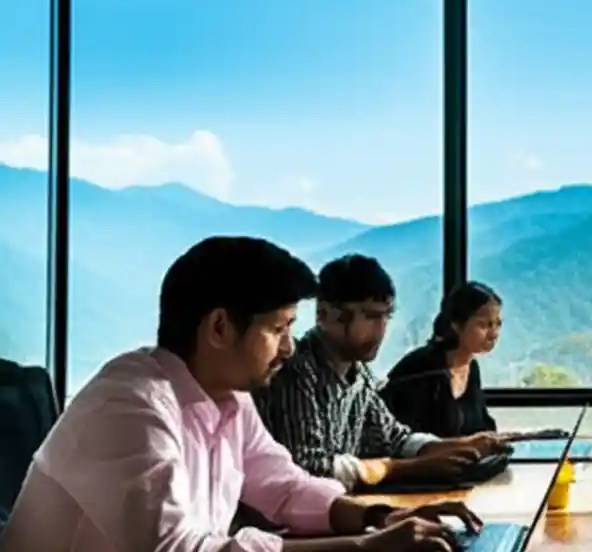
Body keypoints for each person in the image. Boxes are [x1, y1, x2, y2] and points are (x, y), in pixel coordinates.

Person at [0, 236, 481, 552]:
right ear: (219, 327)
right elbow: (182, 551)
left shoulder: (227, 399)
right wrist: (362, 548)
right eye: (278, 329)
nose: (290, 349)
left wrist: (381, 517)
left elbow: (285, 487)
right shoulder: (130, 405)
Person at [253, 254, 504, 494]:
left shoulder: (359, 375)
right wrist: (409, 469)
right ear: (324, 315)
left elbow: (393, 438)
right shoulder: (298, 371)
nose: (382, 329)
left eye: (386, 316)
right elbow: (309, 466)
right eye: (371, 316)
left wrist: (462, 445)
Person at [382, 281, 501, 439]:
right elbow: (405, 435)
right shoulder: (422, 368)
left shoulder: (471, 367)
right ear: (457, 325)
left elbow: (480, 424)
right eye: (484, 325)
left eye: (497, 324)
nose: (494, 334)